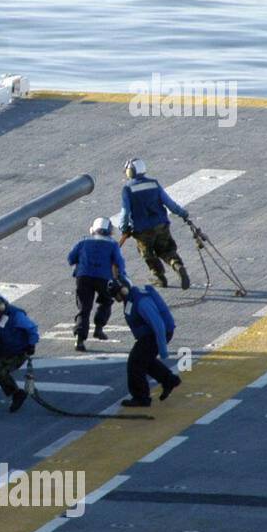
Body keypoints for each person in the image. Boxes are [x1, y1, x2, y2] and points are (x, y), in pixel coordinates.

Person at [107, 277, 182, 408]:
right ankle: (169, 380)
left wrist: (163, 350)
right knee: (144, 359)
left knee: (135, 363)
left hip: (158, 333)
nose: (115, 298)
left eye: (115, 294)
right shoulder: (131, 297)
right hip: (150, 334)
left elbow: (158, 325)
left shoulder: (141, 302)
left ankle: (141, 398)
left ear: (122, 291)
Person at [118, 158, 191, 289]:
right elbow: (170, 204)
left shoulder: (127, 189)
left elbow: (125, 212)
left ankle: (159, 277)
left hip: (142, 230)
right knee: (167, 249)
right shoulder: (154, 184)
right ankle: (177, 265)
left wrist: (123, 227)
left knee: (147, 254)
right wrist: (183, 214)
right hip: (161, 225)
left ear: (130, 172)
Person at [67, 216, 127, 351]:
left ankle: (79, 339)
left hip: (83, 278)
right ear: (109, 231)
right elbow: (119, 263)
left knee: (84, 308)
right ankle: (99, 328)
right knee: (106, 301)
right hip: (103, 278)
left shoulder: (83, 241)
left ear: (93, 230)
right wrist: (121, 277)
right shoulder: (112, 244)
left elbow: (71, 258)